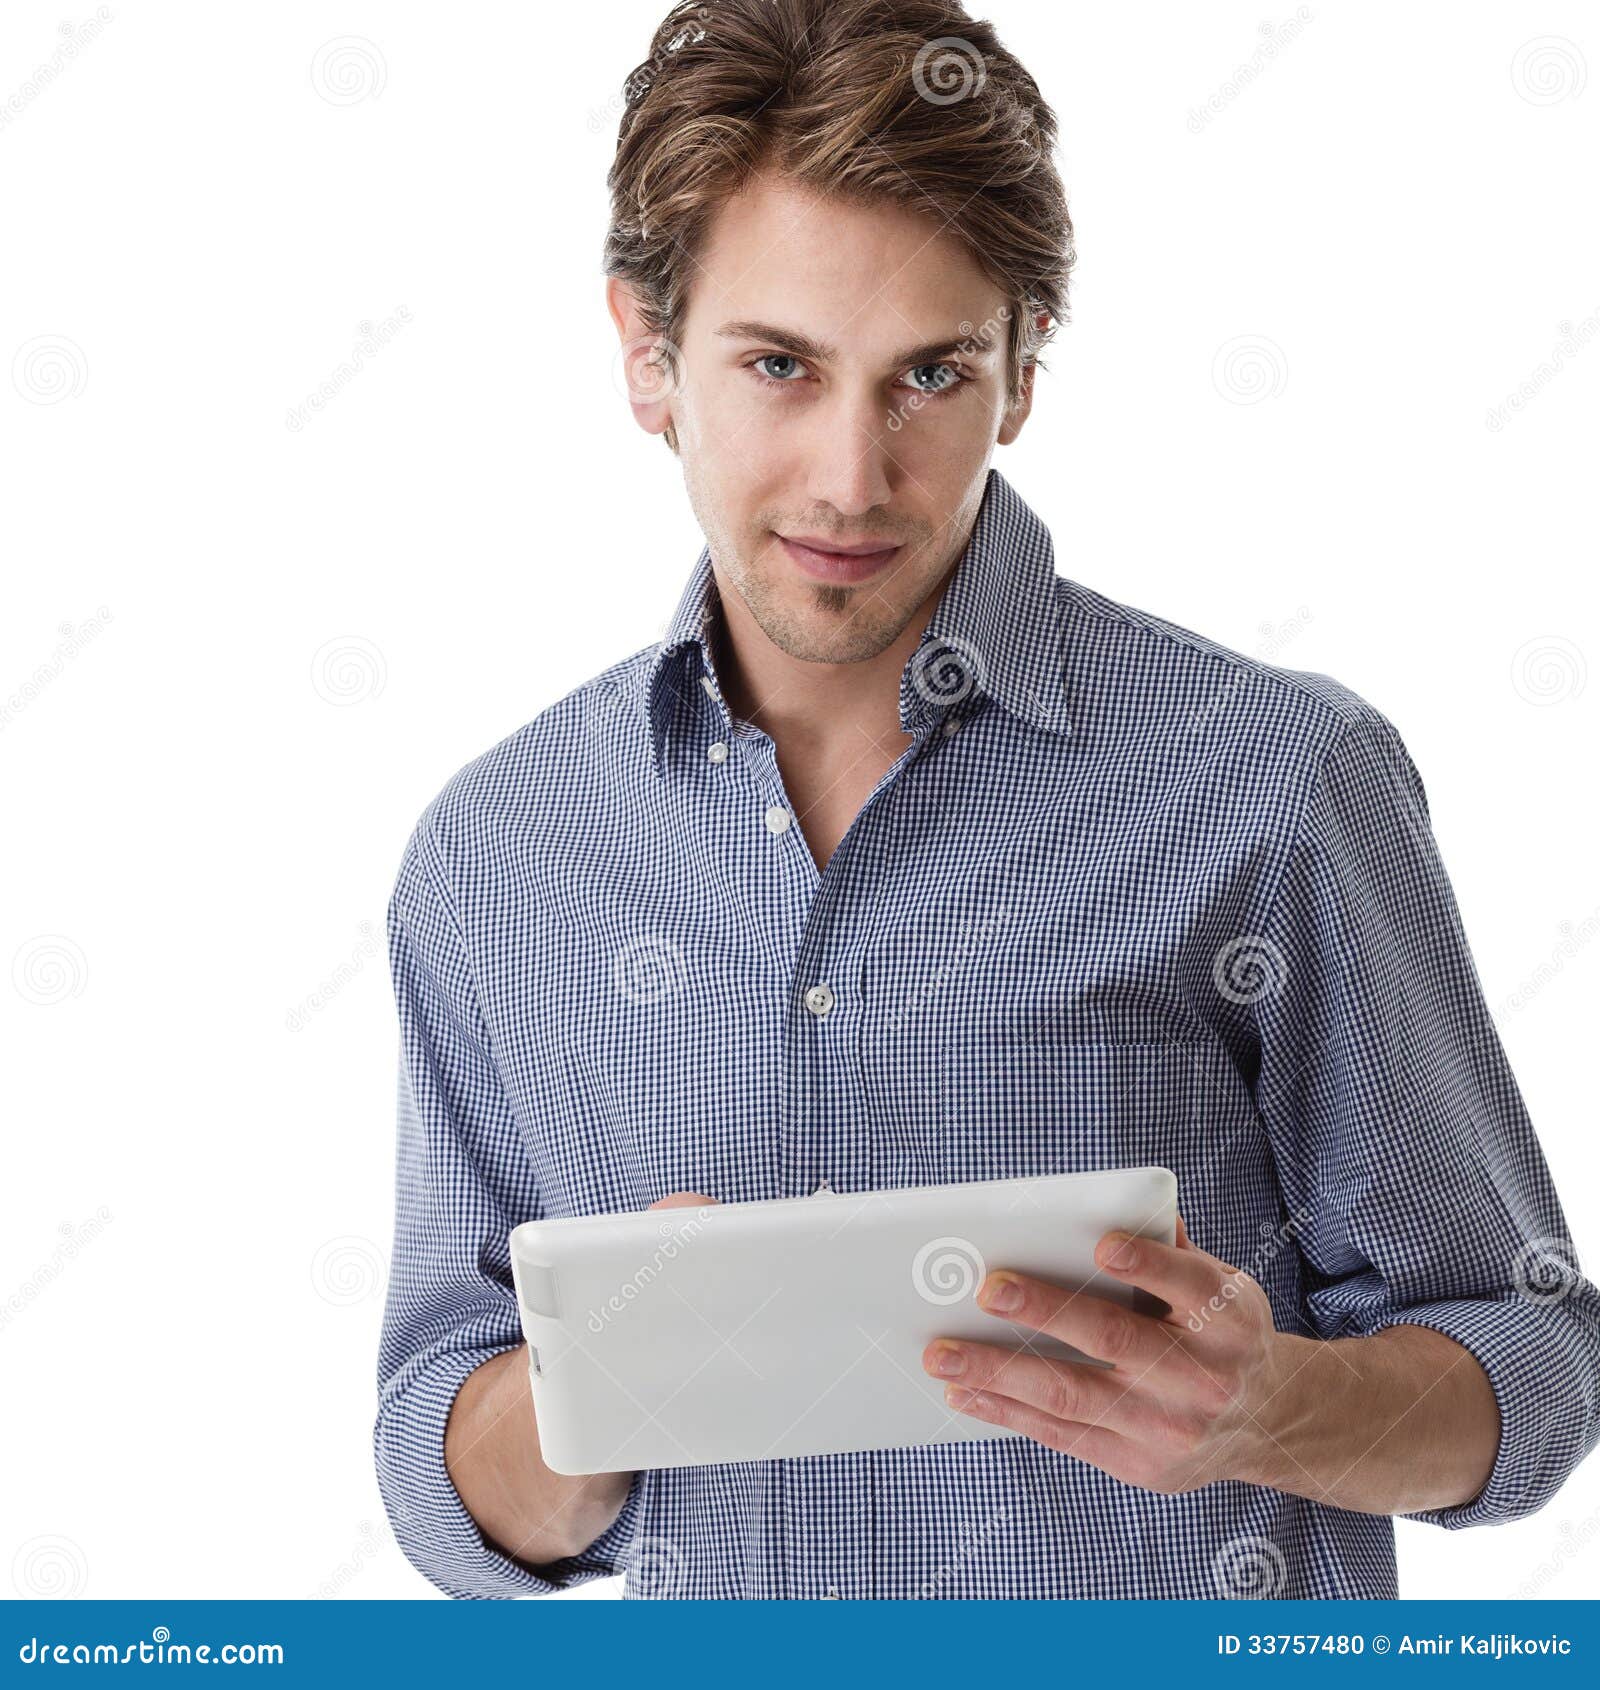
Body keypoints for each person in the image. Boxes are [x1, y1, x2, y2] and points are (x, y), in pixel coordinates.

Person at [374, 0, 1600, 1599]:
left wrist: (1275, 1407)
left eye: (930, 373)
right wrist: (583, 1404)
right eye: (777, 366)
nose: (850, 476)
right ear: (646, 355)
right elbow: (433, 1440)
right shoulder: (499, 857)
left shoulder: (1278, 782)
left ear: (1022, 374)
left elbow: (1533, 1358)